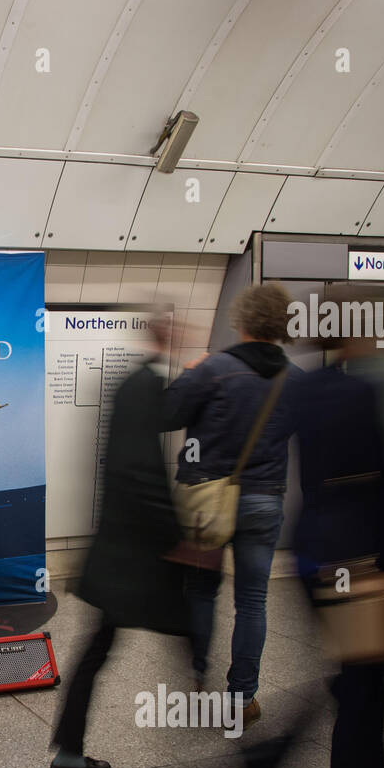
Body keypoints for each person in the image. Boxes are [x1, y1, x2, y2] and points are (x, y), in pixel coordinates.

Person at [47, 314, 190, 768]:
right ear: (161, 334)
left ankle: (68, 758)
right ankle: (212, 710)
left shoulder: (136, 385)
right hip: (135, 553)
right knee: (186, 625)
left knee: (97, 650)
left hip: (121, 549)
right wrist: (177, 537)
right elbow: (140, 472)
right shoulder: (143, 386)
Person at [285, 338, 384, 768]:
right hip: (357, 560)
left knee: (355, 686)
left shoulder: (305, 389)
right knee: (368, 697)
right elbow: (379, 488)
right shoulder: (361, 391)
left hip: (314, 551)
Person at [161, 283, 302, 728]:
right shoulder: (295, 379)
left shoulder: (215, 368)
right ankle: (242, 697)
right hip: (264, 498)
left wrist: (189, 373)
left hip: (208, 498)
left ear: (240, 321)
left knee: (202, 590)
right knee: (253, 600)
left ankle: (199, 684)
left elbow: (166, 416)